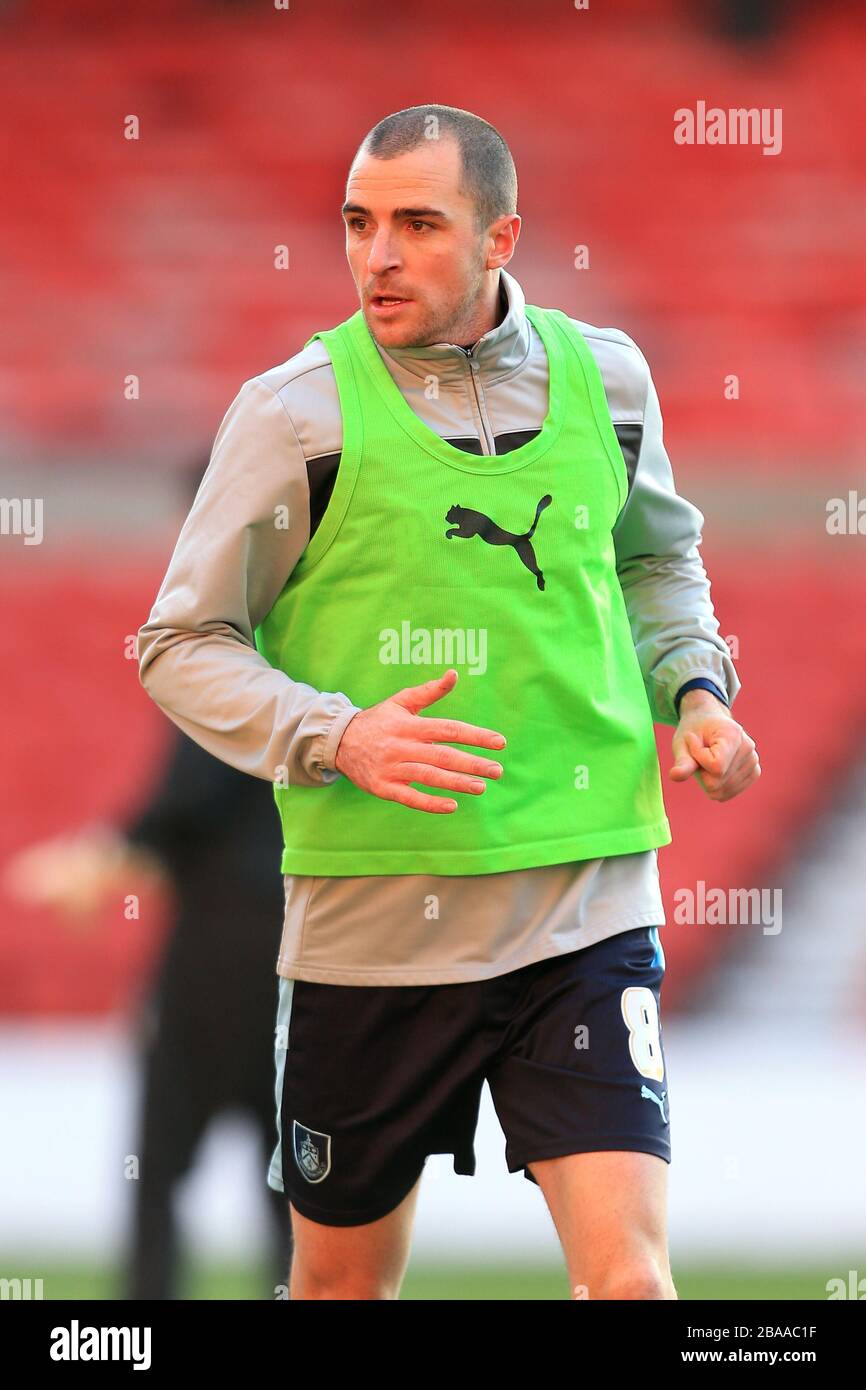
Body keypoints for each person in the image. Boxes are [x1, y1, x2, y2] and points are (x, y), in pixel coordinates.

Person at [137, 104, 760, 1301]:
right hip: (370, 922)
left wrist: (694, 686)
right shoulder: (292, 415)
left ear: (499, 236)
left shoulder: (611, 381)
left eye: (417, 224)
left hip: (578, 900)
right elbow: (178, 640)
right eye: (358, 224)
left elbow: (651, 562)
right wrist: (335, 732)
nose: (377, 255)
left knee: (629, 1282)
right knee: (338, 1289)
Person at [7, 461, 293, 1300]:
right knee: (293, 1169)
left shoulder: (235, 630)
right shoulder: (311, 618)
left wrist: (104, 855)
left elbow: (194, 796)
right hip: (303, 937)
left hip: (225, 941)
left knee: (160, 1156)